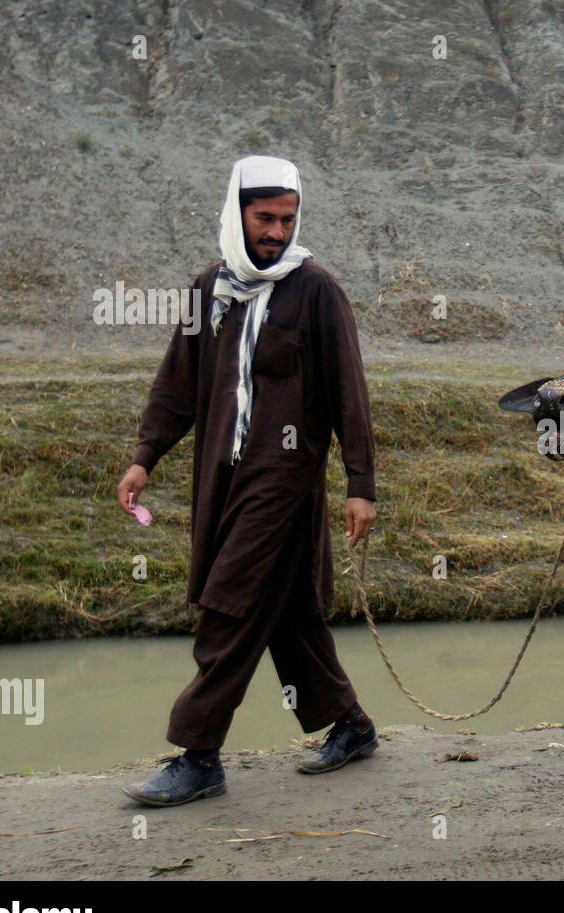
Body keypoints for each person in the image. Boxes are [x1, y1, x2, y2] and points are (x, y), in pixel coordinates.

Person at [118, 155, 379, 807]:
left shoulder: (316, 290)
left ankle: (198, 753)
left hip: (285, 478)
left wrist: (360, 483)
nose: (277, 232)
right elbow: (178, 384)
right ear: (237, 212)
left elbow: (351, 393)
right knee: (289, 613)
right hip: (223, 479)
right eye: (265, 218)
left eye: (288, 219)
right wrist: (145, 456)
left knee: (229, 604)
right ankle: (350, 724)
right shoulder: (210, 289)